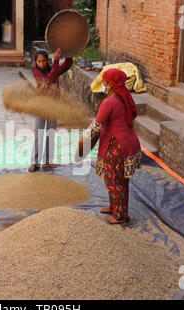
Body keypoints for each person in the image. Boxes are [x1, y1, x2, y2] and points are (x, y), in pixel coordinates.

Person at [78, 68, 141, 224]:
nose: (103, 85)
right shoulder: (123, 96)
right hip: (127, 142)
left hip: (117, 146)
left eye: (105, 82)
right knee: (119, 179)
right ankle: (114, 206)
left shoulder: (109, 102)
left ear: (111, 84)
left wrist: (82, 142)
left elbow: (96, 127)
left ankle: (120, 216)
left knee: (114, 180)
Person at [28, 48, 73, 172]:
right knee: (39, 133)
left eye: (44, 61)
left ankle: (48, 160)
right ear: (35, 62)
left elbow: (67, 65)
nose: (41, 64)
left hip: (54, 106)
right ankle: (34, 162)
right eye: (39, 61)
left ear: (48, 60)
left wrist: (69, 53)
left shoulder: (53, 68)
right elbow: (50, 80)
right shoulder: (36, 72)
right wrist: (57, 61)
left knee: (51, 133)